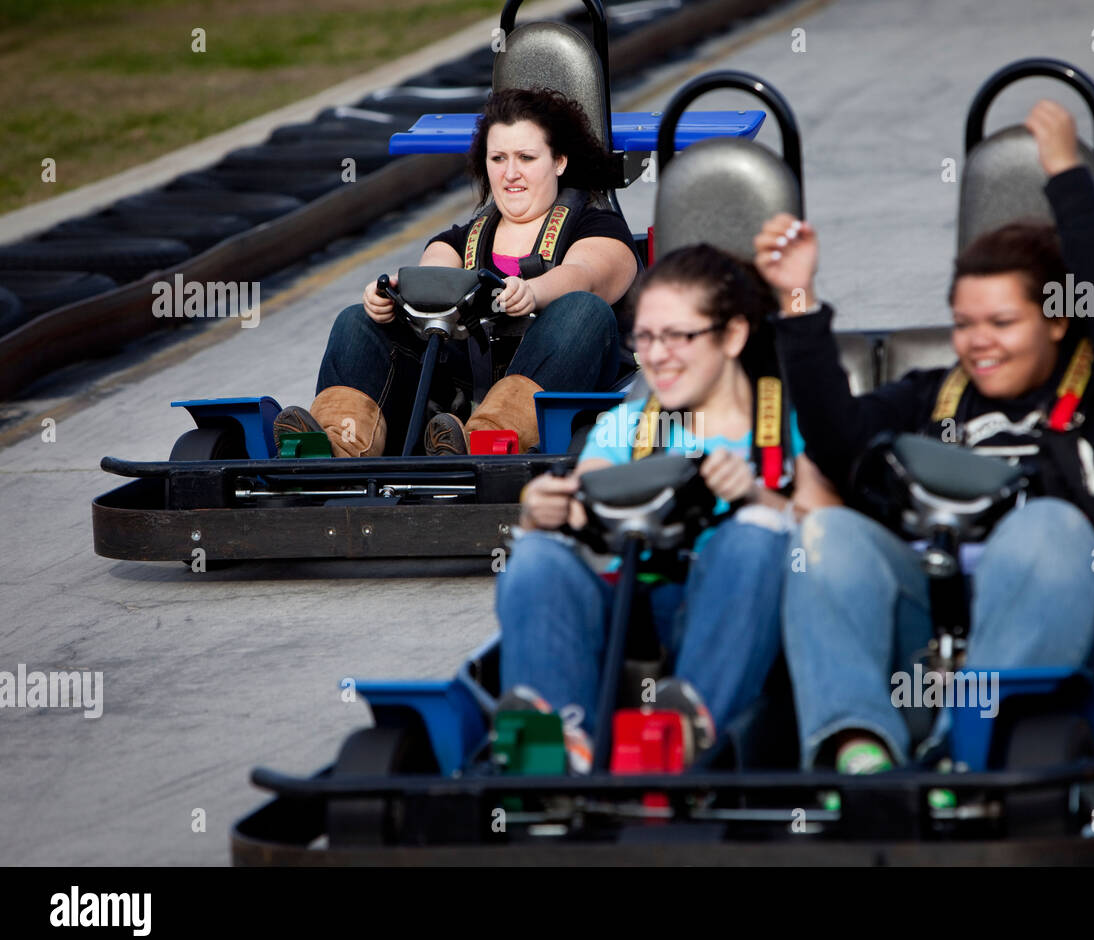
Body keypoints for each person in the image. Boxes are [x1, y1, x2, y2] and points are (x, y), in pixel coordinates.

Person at [756, 100, 1094, 775]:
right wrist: (798, 300)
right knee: (829, 538)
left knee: (1043, 527)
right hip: (945, 607)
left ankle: (970, 753)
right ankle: (857, 753)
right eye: (963, 323)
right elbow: (840, 447)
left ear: (1056, 319)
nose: (977, 343)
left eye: (1000, 322)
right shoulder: (937, 394)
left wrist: (1067, 177)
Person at [494, 244, 834, 772]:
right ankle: (557, 749)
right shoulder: (629, 426)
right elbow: (587, 502)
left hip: (746, 610)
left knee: (755, 534)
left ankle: (685, 736)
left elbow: (835, 536)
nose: (656, 355)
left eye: (678, 336)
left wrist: (757, 496)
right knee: (538, 555)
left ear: (733, 336)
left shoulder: (789, 424)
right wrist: (545, 512)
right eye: (646, 338)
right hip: (642, 605)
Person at [274, 87, 640, 457]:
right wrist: (393, 297)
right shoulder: (462, 240)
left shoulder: (598, 228)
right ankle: (338, 445)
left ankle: (484, 441)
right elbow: (434, 271)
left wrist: (533, 292)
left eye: (526, 158)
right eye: (498, 158)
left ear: (558, 161)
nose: (510, 173)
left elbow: (585, 274)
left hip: (557, 383)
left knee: (582, 310)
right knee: (356, 321)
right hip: (453, 407)